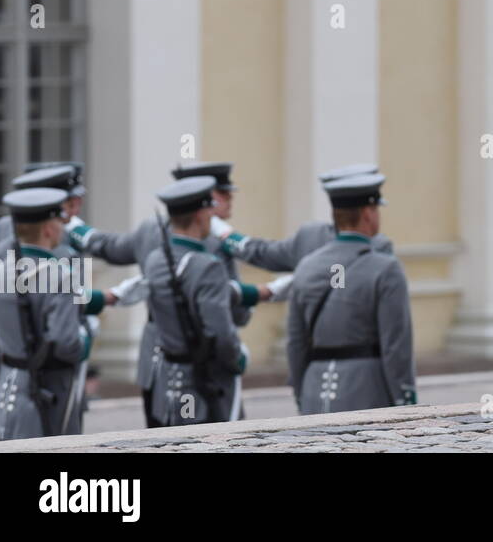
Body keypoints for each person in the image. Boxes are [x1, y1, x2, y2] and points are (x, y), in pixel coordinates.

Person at [68, 160, 279, 426]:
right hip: (204, 364)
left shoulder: (149, 232)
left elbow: (109, 248)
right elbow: (231, 315)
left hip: (156, 363)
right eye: (223, 194)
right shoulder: (214, 241)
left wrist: (71, 227)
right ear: (207, 200)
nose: (230, 199)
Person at [0, 188, 142, 440]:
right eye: (60, 222)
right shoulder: (58, 276)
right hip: (49, 391)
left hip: (9, 385)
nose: (64, 228)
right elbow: (67, 345)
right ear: (48, 229)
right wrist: (87, 333)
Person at [286, 173, 415, 413]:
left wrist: (300, 392)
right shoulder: (386, 268)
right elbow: (396, 346)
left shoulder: (306, 266)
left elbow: (295, 342)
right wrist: (404, 397)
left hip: (314, 388)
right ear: (368, 213)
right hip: (368, 390)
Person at [143, 176, 248, 427]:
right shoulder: (207, 266)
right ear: (201, 214)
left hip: (169, 381)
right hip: (205, 385)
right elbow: (220, 333)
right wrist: (238, 359)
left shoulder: (155, 259)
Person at [218, 163, 393, 273]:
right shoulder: (378, 247)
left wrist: (228, 238)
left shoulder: (310, 236)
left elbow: (262, 252)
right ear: (367, 213)